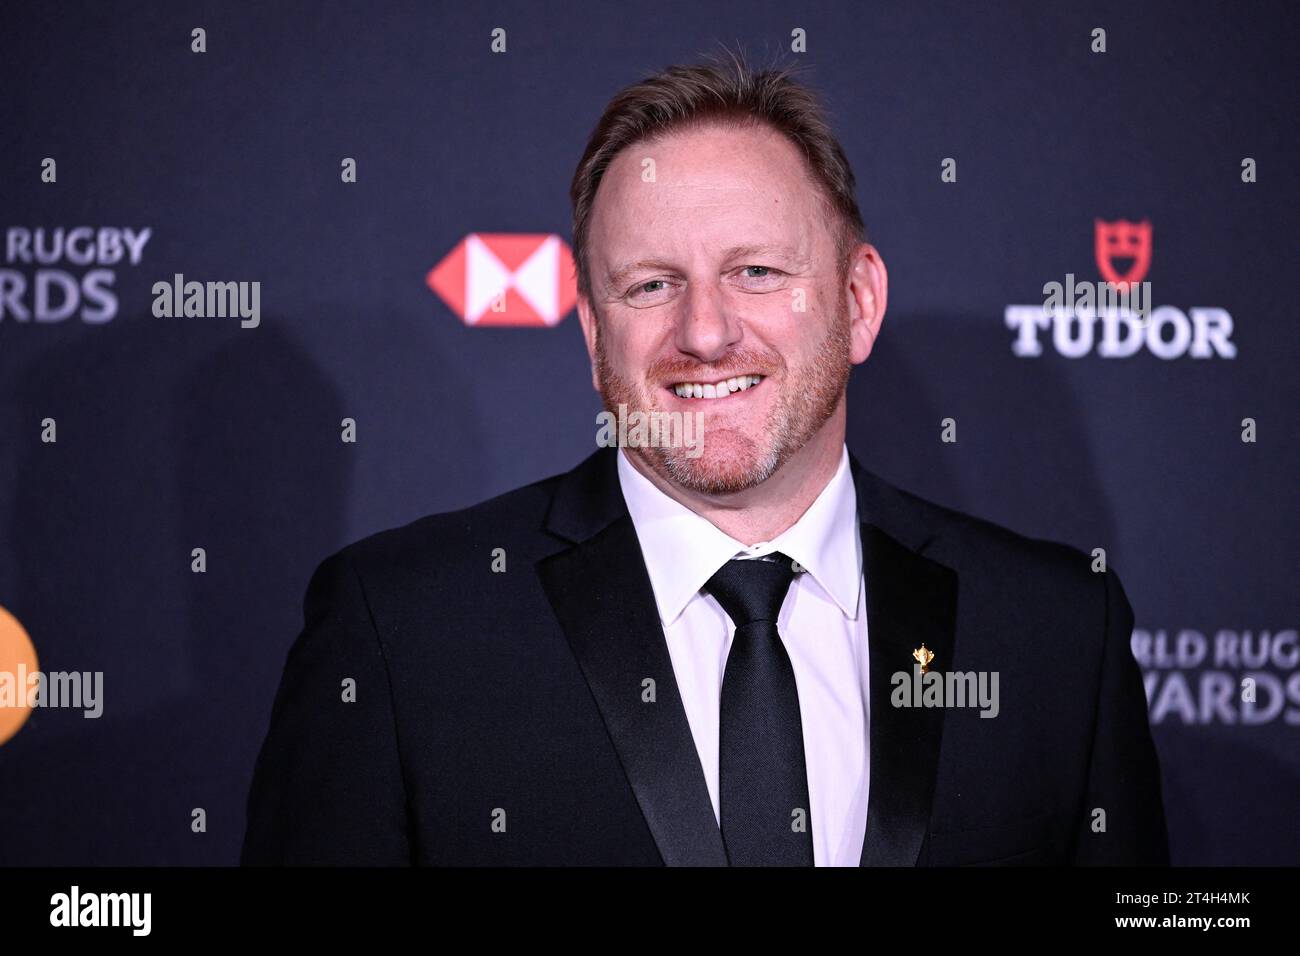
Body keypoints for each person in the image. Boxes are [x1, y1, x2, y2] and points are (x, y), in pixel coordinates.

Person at [242, 50, 1169, 866]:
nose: (706, 332)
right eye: (652, 285)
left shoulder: (1054, 633)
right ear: (594, 335)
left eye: (756, 272)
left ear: (858, 300)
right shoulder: (402, 628)